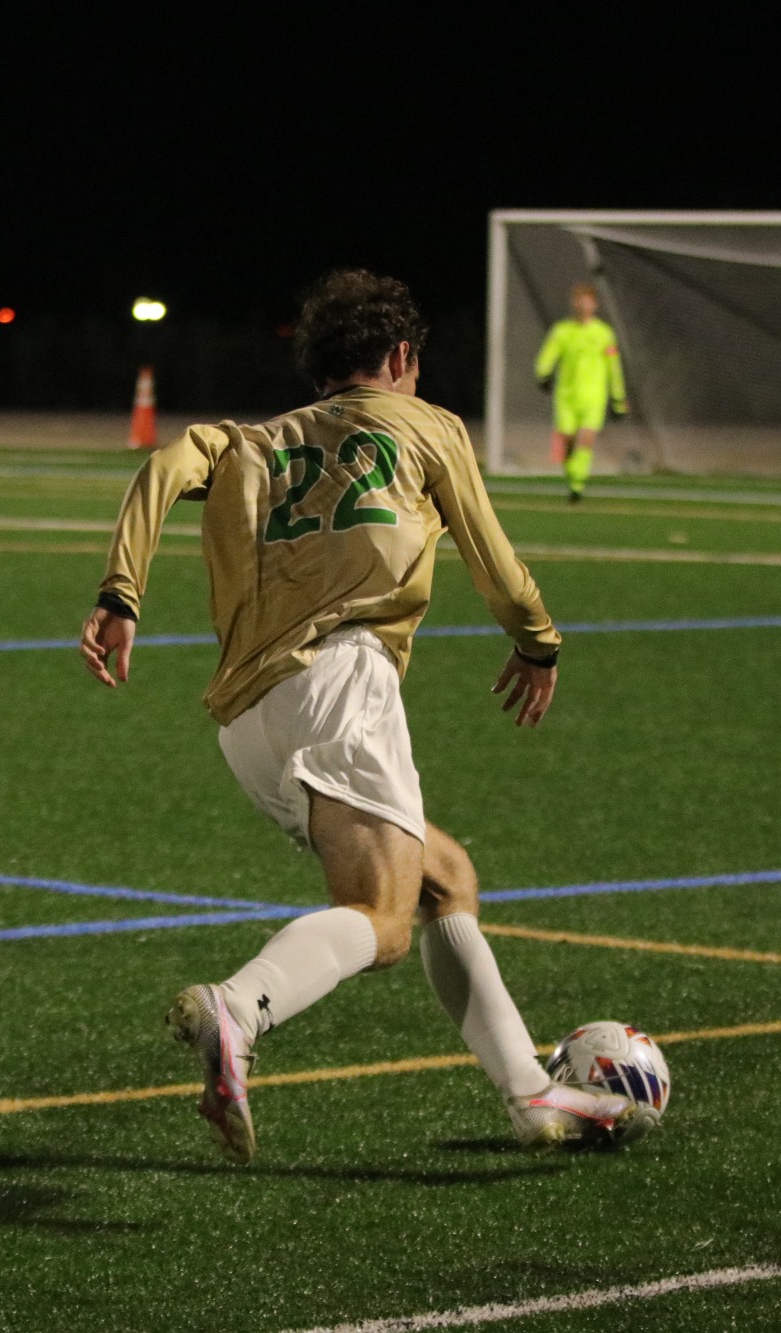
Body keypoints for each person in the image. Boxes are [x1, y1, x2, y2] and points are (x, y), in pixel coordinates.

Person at [79, 269, 632, 1165]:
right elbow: (495, 562)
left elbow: (163, 463)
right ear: (403, 358)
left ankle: (530, 1094)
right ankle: (241, 1006)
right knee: (378, 916)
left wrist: (120, 591)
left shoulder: (250, 441)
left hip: (245, 719)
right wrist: (539, 642)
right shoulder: (427, 425)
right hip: (340, 683)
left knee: (444, 875)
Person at [533, 282, 627, 502]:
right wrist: (543, 373)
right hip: (566, 396)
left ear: (594, 304)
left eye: (586, 300)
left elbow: (614, 367)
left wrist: (619, 398)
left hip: (594, 396)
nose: (582, 304)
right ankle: (573, 474)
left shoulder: (604, 333)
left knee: (586, 438)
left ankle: (577, 483)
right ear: (573, 303)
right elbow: (548, 354)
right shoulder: (562, 330)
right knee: (567, 440)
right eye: (578, 300)